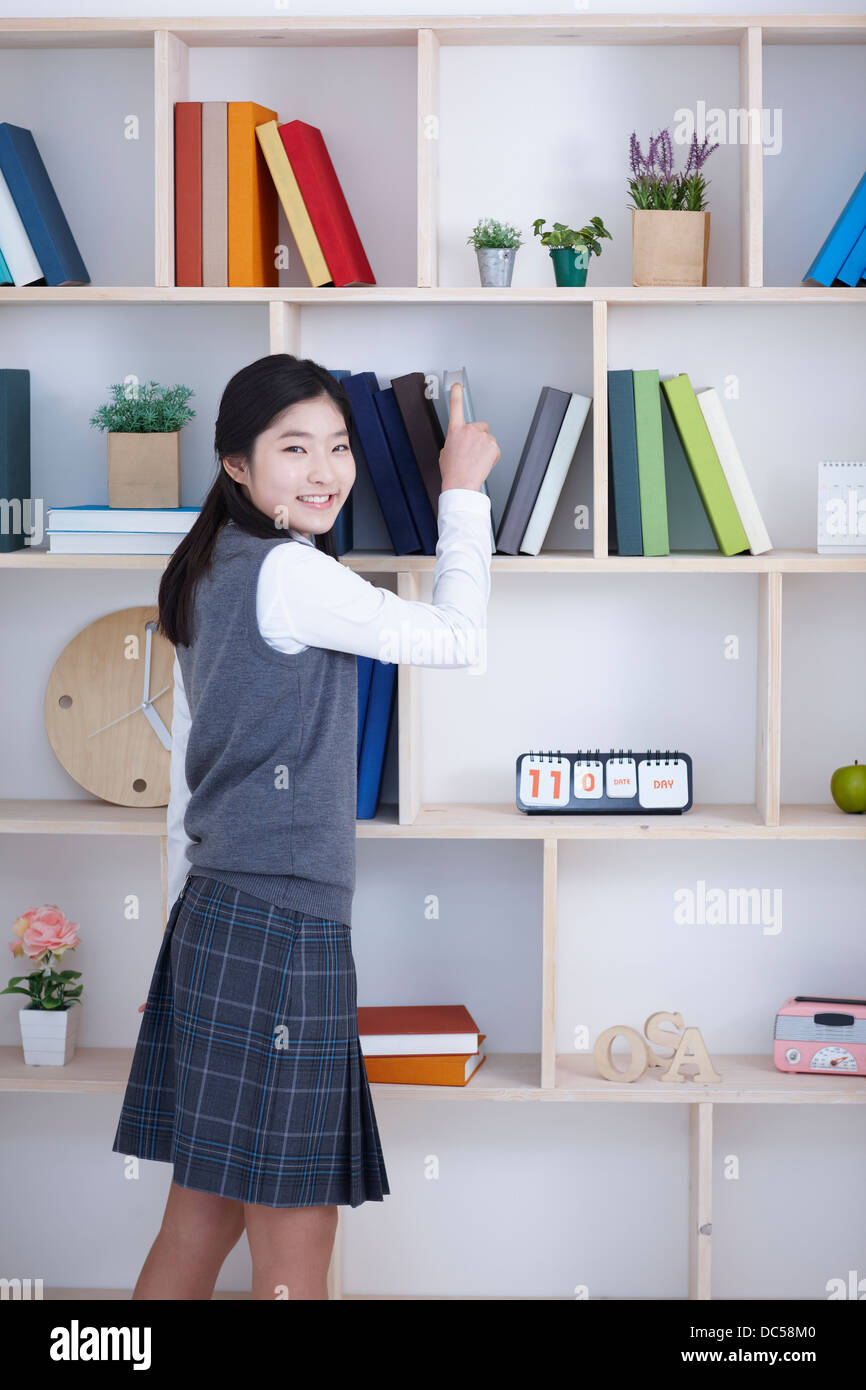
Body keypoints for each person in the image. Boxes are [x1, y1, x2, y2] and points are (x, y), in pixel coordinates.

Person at [111, 353, 500, 1300]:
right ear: (237, 464)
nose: (325, 470)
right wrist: (461, 492)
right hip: (282, 927)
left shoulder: (206, 568)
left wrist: (178, 936)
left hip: (216, 916)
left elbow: (184, 785)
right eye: (295, 448)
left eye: (337, 446)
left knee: (198, 1221)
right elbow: (457, 637)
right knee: (296, 1240)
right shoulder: (288, 573)